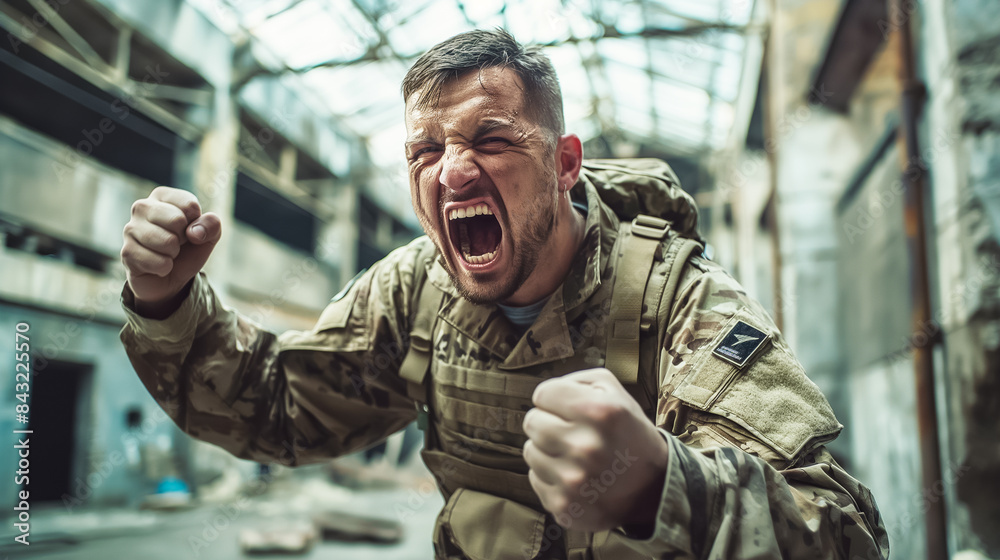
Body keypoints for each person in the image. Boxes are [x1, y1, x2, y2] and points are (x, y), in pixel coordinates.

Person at [119, 29, 889, 559]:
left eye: (490, 138)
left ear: (563, 165)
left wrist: (665, 483)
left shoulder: (676, 300)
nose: (451, 171)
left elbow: (846, 534)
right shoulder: (414, 286)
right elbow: (280, 409)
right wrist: (167, 304)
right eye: (425, 149)